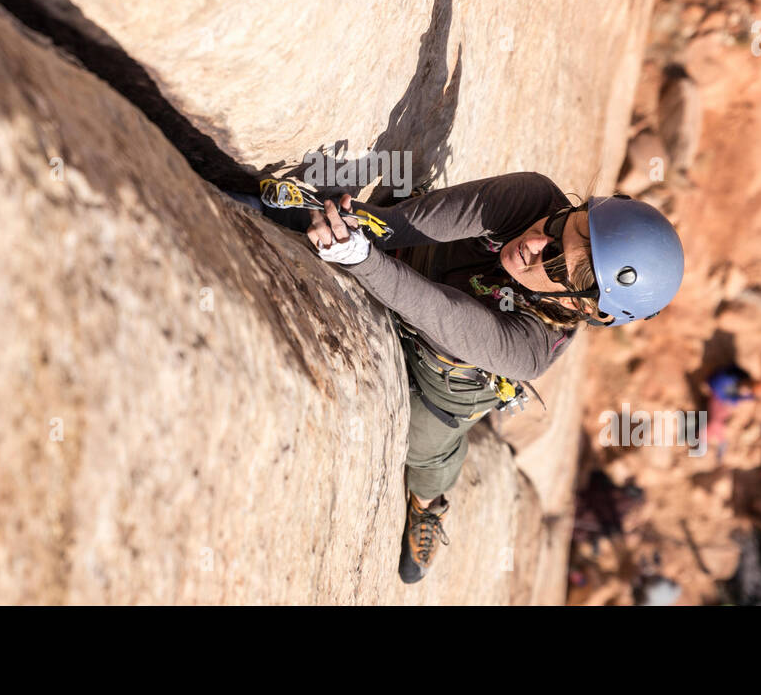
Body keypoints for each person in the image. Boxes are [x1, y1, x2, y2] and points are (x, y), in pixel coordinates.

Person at [242, 172, 684, 583]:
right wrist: (347, 223)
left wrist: (359, 257)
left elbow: (443, 314)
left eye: (553, 266)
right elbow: (399, 225)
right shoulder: (531, 199)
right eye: (560, 225)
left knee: (424, 448)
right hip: (418, 264)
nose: (534, 242)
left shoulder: (530, 349)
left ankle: (429, 505)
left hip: (450, 378)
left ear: (585, 309)